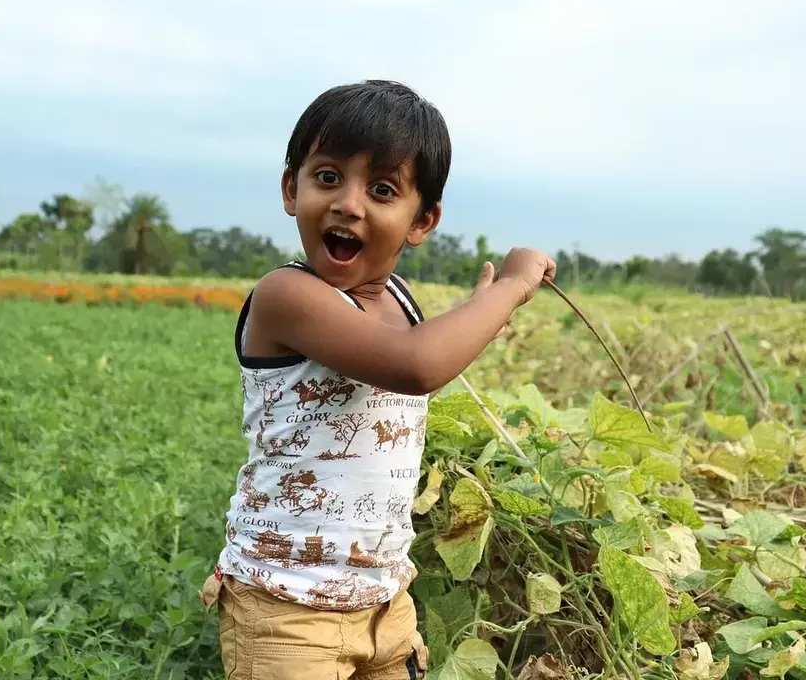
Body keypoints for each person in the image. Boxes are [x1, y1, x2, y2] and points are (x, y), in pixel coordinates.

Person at [198, 79, 556, 679]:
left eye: (383, 190)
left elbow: (398, 390)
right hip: (286, 611)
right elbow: (415, 367)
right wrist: (515, 288)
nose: (348, 204)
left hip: (384, 604)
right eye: (329, 177)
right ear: (292, 189)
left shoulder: (398, 303)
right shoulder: (286, 295)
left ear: (422, 221)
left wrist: (474, 324)